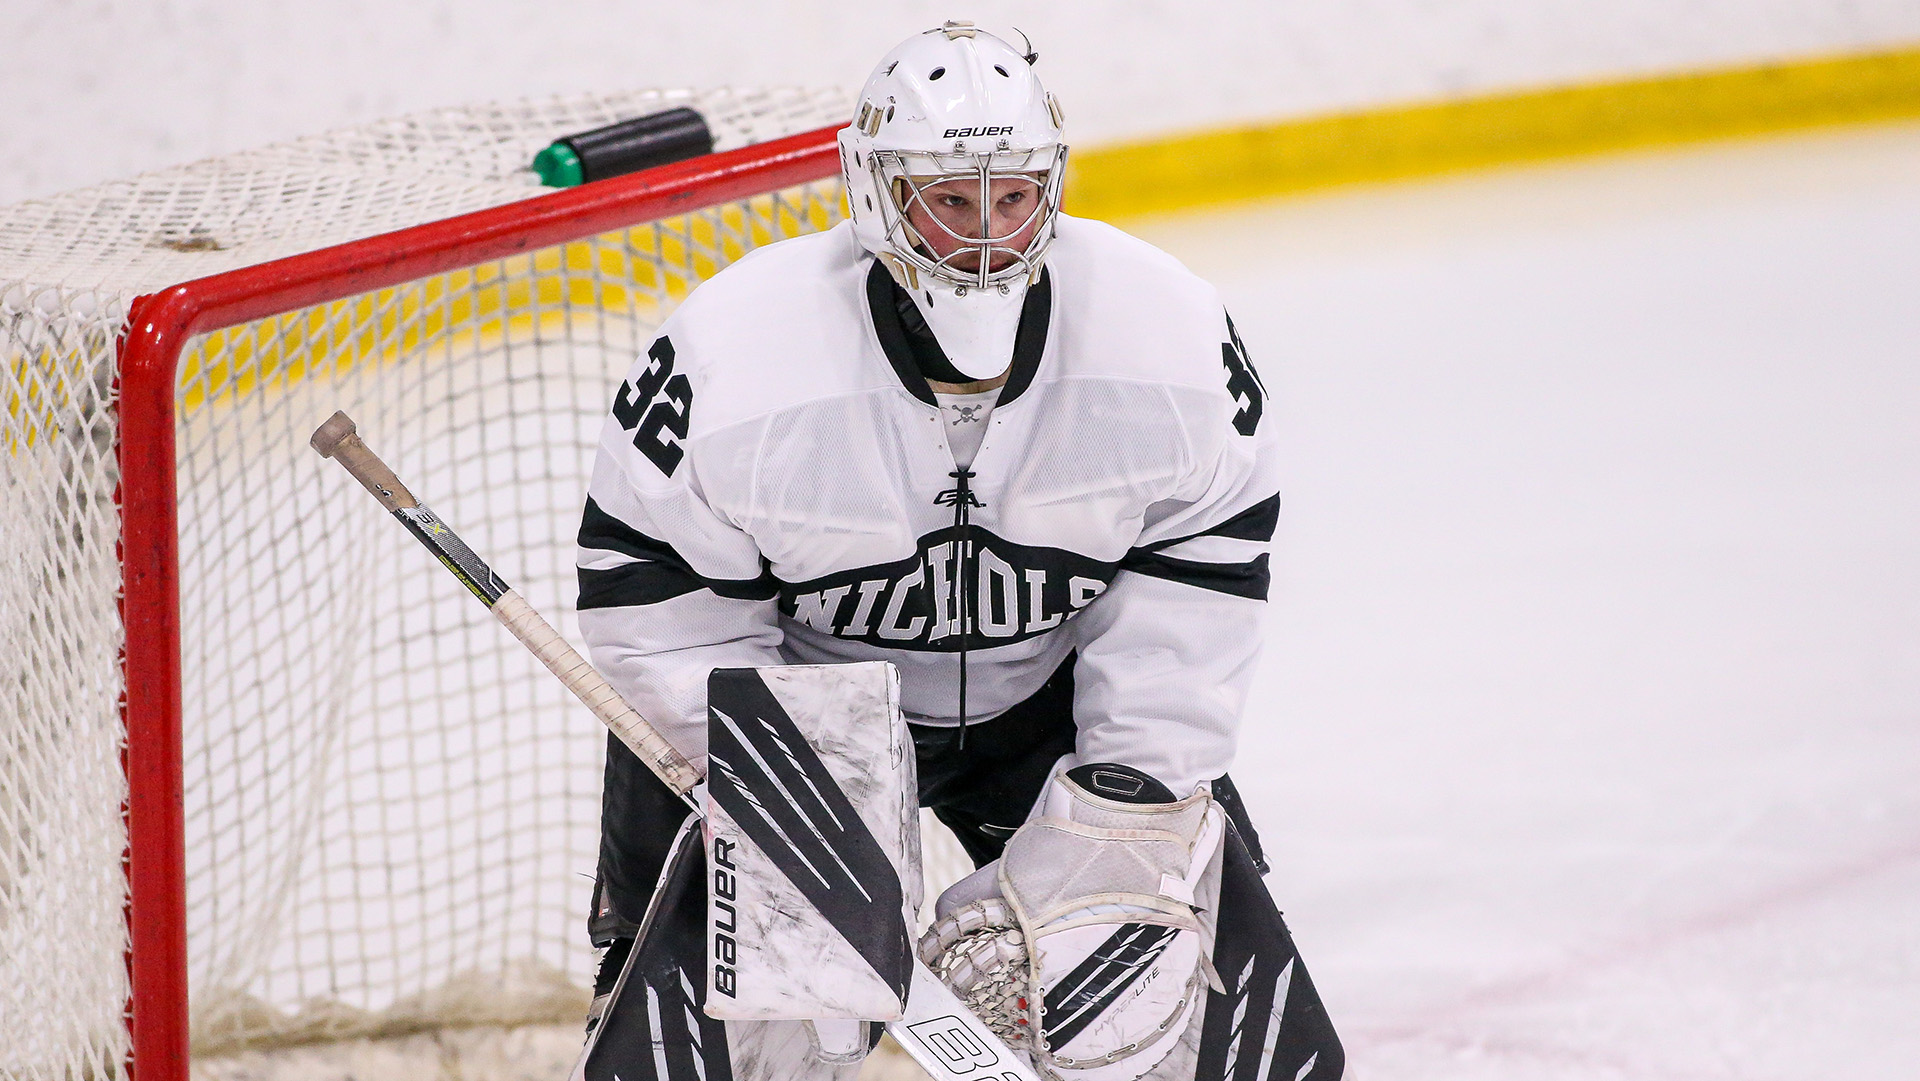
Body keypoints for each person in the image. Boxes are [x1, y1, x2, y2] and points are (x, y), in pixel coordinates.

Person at [576, 22, 1339, 1081]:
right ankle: (650, 979)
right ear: (881, 192)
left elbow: (1201, 584)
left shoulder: (1165, 336)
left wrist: (1118, 811)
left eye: (1014, 196)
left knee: (1216, 1043)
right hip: (801, 708)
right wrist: (781, 806)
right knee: (747, 1037)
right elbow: (653, 595)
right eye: (949, 198)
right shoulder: (740, 354)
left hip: (1055, 706)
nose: (986, 233)